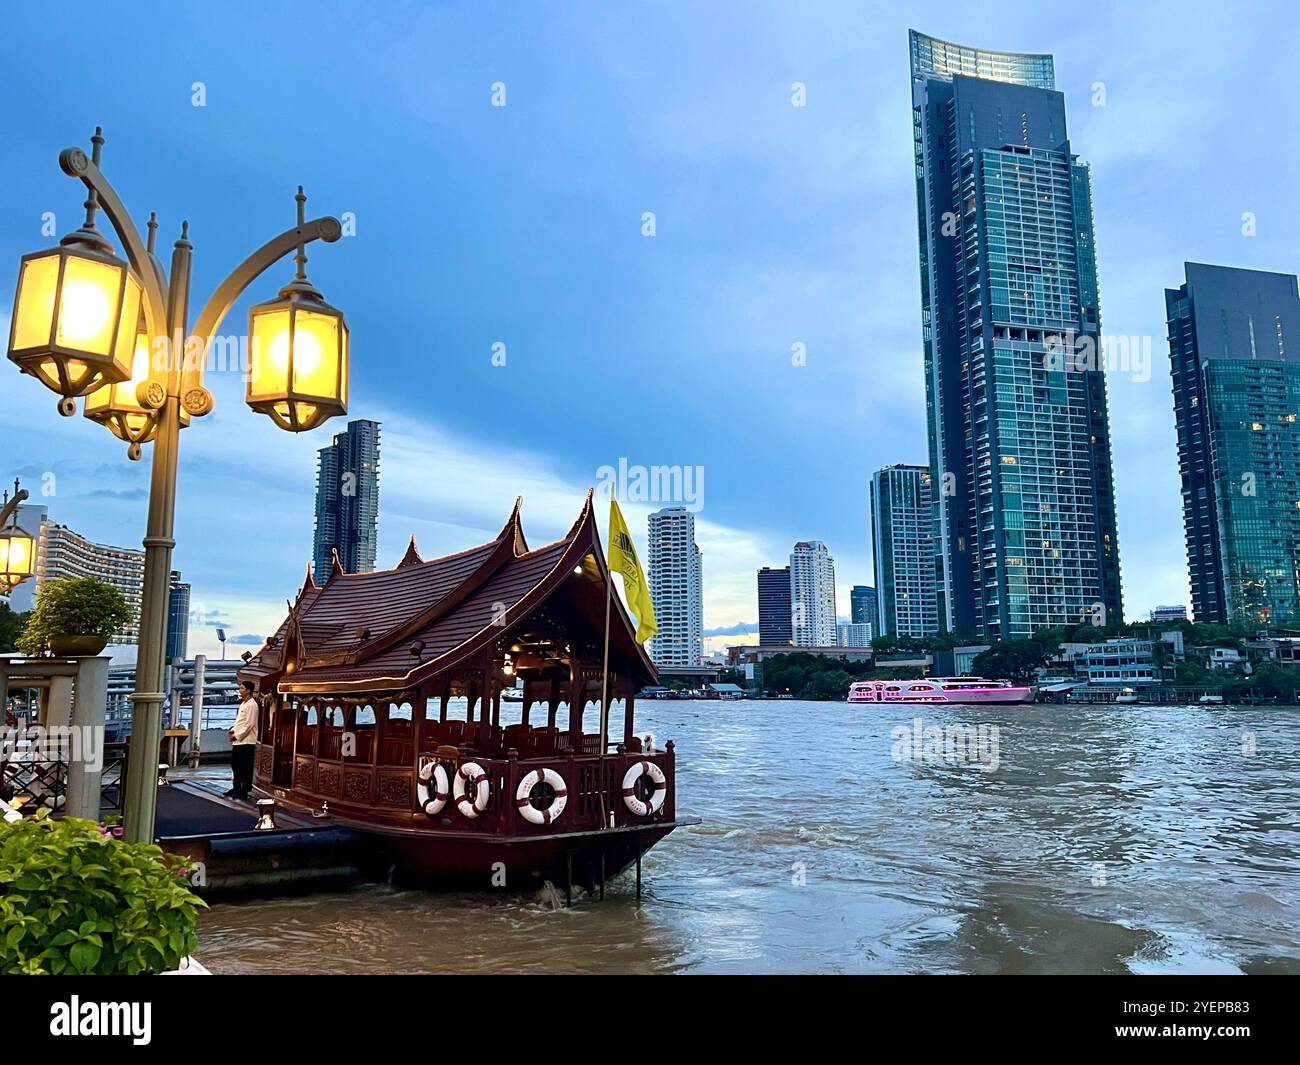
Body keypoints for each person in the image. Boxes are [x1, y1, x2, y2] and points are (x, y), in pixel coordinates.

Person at [226, 680, 260, 801]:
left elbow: (249, 724)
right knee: (236, 765)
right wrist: (233, 731)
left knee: (244, 767)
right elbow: (240, 722)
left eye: (242, 688)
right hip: (239, 742)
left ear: (248, 690)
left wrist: (238, 735)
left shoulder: (252, 705)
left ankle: (243, 790)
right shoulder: (243, 704)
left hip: (247, 742)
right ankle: (236, 788)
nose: (240, 691)